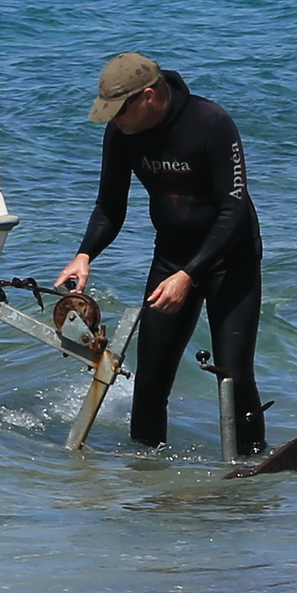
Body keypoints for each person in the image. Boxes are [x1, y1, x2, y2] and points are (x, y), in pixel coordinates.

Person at [55, 52, 265, 453]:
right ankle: (148, 480)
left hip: (229, 260)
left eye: (119, 111)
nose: (114, 120)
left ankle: (251, 478)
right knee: (149, 380)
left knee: (233, 376)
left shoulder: (211, 124)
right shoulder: (121, 134)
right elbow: (109, 207)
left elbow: (233, 210)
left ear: (148, 97)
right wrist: (85, 254)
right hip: (171, 257)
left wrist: (190, 275)